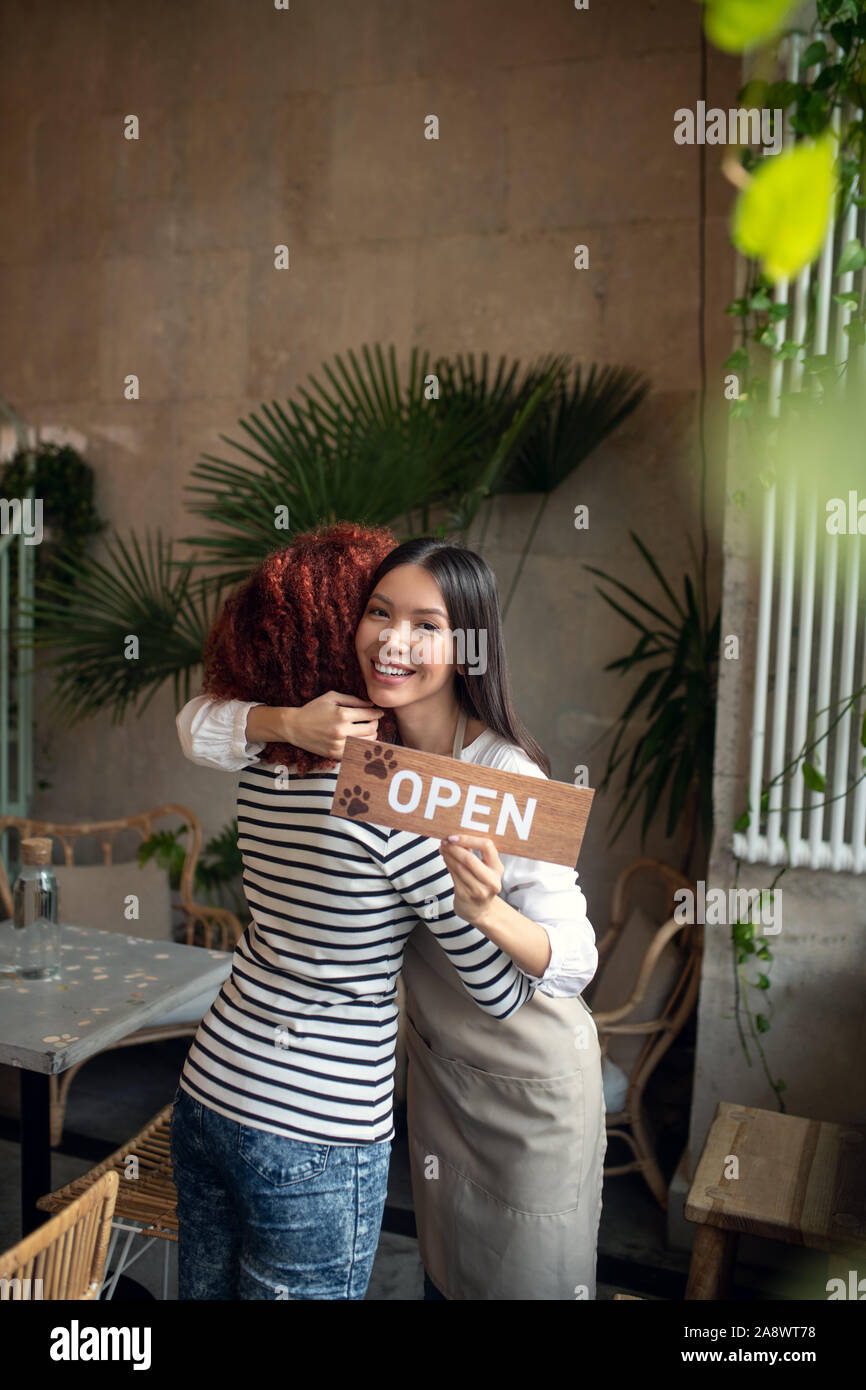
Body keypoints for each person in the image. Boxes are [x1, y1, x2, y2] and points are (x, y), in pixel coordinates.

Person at [179, 533, 606, 1300]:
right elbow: (198, 727)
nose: (393, 640)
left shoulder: (507, 773)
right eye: (378, 612)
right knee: (445, 1279)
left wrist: (487, 912)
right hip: (435, 1063)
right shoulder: (369, 759)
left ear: (468, 647)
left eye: (426, 625)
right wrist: (288, 722)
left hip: (531, 1070)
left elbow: (575, 959)